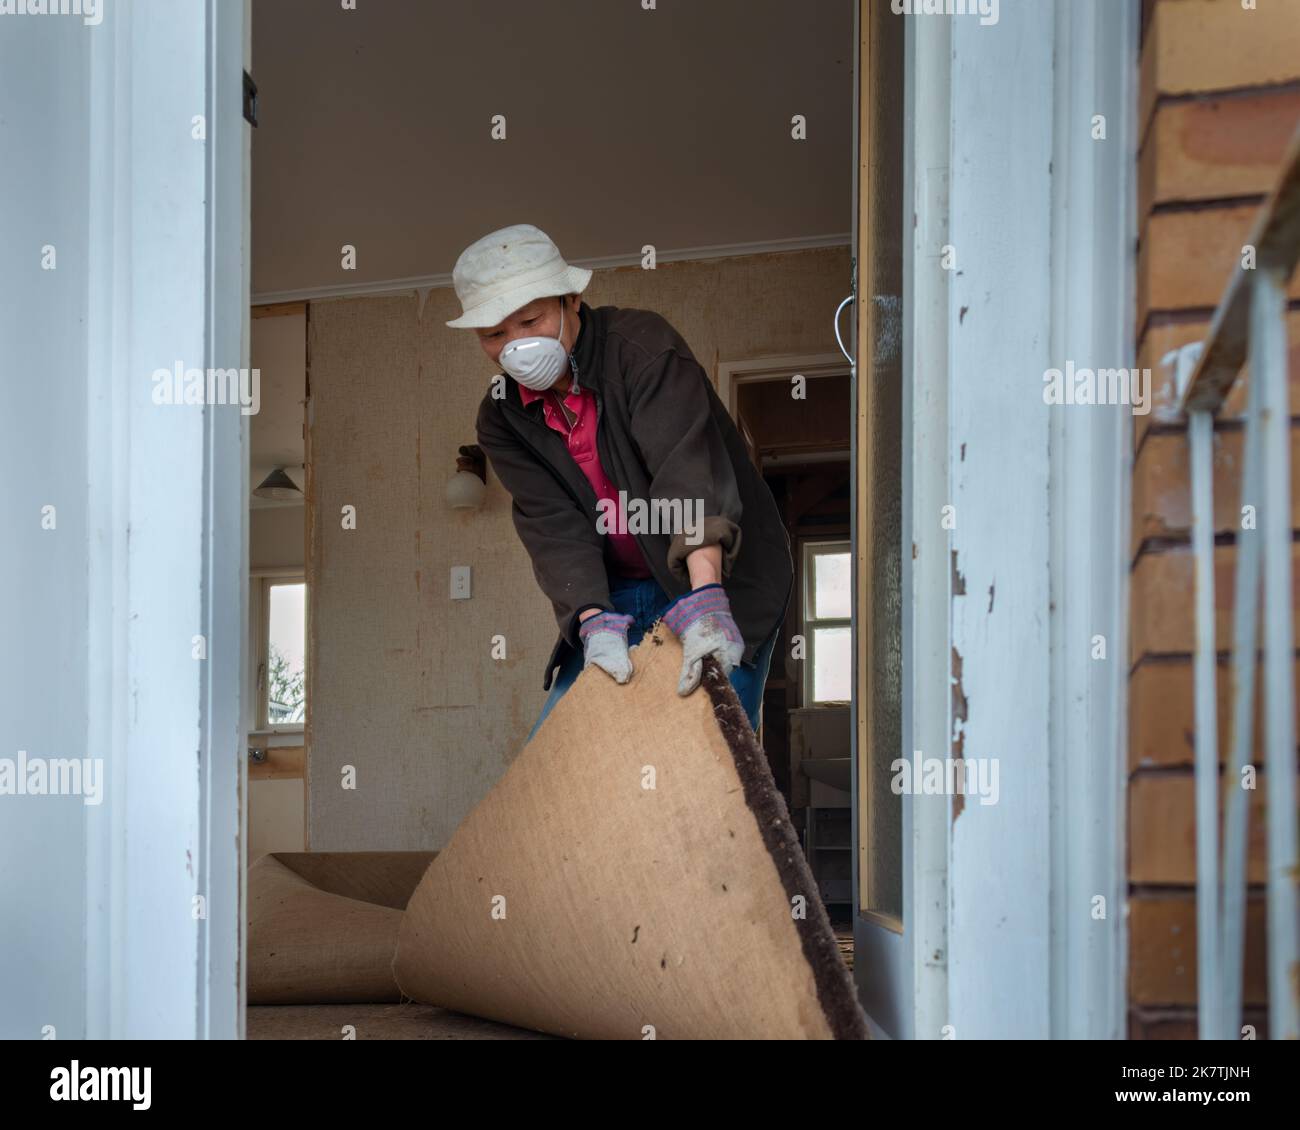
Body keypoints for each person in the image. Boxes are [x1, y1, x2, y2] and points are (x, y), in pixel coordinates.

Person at [447, 223, 793, 740]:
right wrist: (592, 619)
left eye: (530, 320)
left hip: (713, 572)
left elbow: (686, 472)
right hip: (618, 591)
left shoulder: (641, 348)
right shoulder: (501, 417)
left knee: (707, 745)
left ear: (571, 299)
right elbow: (553, 525)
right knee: (573, 747)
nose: (516, 346)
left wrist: (707, 600)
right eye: (493, 335)